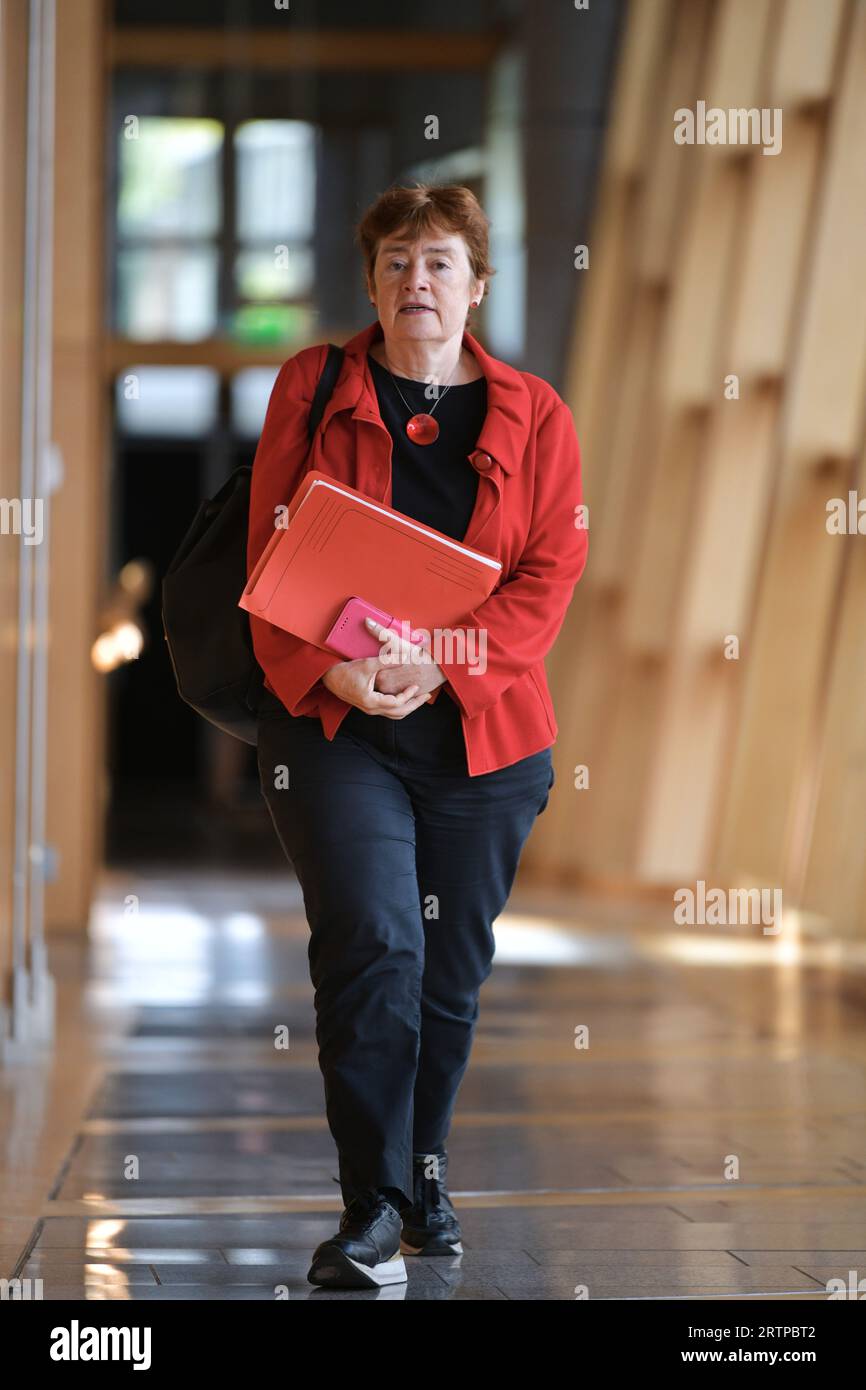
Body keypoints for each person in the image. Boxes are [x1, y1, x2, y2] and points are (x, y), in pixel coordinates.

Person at [248, 182, 589, 1290]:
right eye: (395, 262)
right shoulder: (312, 386)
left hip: (483, 738)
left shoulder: (537, 414)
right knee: (373, 947)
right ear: (370, 283)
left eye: (439, 263)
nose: (416, 283)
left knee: (447, 973)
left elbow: (546, 580)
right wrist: (333, 665)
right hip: (338, 720)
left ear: (477, 287)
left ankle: (425, 1169)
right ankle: (372, 1206)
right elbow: (272, 552)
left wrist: (439, 662)